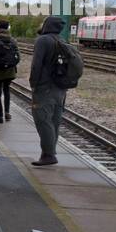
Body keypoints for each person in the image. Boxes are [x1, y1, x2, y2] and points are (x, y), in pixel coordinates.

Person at [28, 15, 68, 166]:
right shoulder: (62, 40)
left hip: (45, 88)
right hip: (61, 88)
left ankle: (48, 155)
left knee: (43, 120)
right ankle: (50, 151)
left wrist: (33, 83)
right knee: (54, 121)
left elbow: (36, 65)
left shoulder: (43, 40)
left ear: (47, 25)